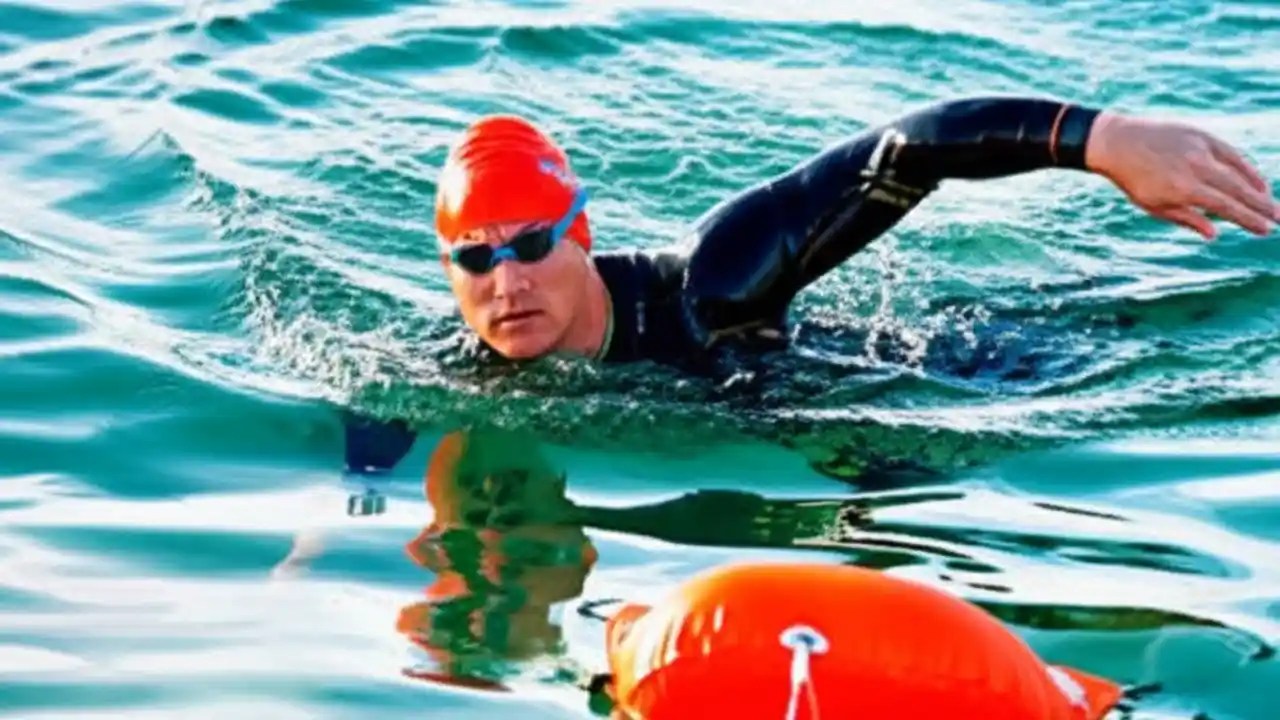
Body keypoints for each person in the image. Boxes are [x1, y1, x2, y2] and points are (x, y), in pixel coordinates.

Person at [434, 95, 1278, 372]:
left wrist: (1103, 139)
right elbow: (367, 441)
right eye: (477, 257)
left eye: (534, 245)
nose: (507, 283)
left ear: (582, 234)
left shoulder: (711, 283)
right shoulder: (462, 364)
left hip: (967, 378)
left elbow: (903, 153)